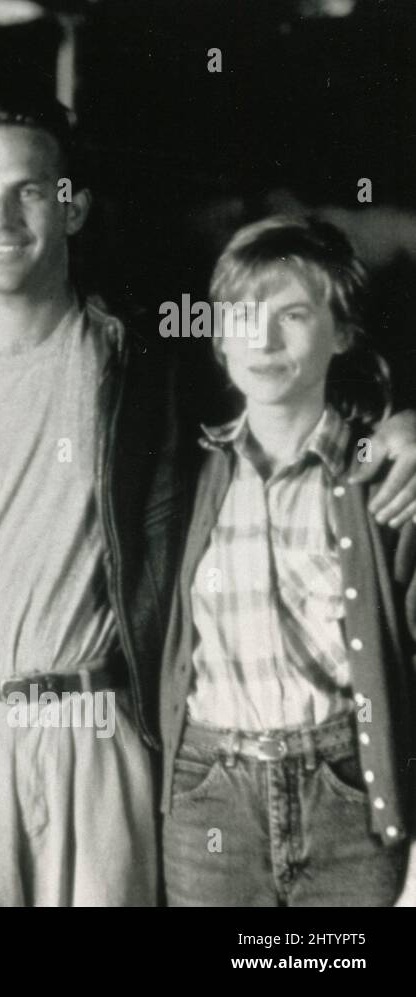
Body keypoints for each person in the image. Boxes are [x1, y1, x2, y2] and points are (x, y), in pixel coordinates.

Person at [0, 96, 416, 906]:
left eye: (31, 189)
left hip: (98, 734)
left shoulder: (146, 365)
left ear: (73, 207)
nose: (2, 214)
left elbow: (293, 380)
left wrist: (406, 420)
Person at [159, 216, 416, 906]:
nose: (264, 340)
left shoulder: (383, 475)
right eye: (244, 316)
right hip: (210, 794)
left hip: (347, 794)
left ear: (343, 333)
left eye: (295, 314)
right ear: (217, 337)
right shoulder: (187, 474)